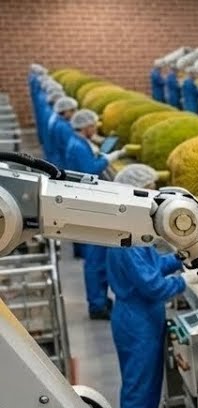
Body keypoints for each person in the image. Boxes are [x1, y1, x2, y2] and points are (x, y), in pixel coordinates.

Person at [105, 163, 185, 408]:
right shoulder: (127, 234)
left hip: (142, 317)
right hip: (136, 321)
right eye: (150, 187)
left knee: (148, 390)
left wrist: (177, 261)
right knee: (139, 391)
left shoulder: (134, 225)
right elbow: (151, 285)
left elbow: (152, 267)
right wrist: (184, 283)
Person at [64, 110, 125, 320]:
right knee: (95, 259)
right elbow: (90, 170)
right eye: (93, 126)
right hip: (87, 206)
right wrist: (109, 158)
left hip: (85, 202)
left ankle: (99, 299)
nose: (96, 129)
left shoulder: (77, 142)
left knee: (96, 257)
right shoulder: (78, 146)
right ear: (85, 126)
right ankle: (97, 305)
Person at [45, 96, 77, 169]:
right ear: (64, 111)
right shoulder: (63, 127)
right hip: (62, 162)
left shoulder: (56, 119)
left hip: (56, 158)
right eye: (72, 110)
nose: (75, 113)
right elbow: (70, 147)